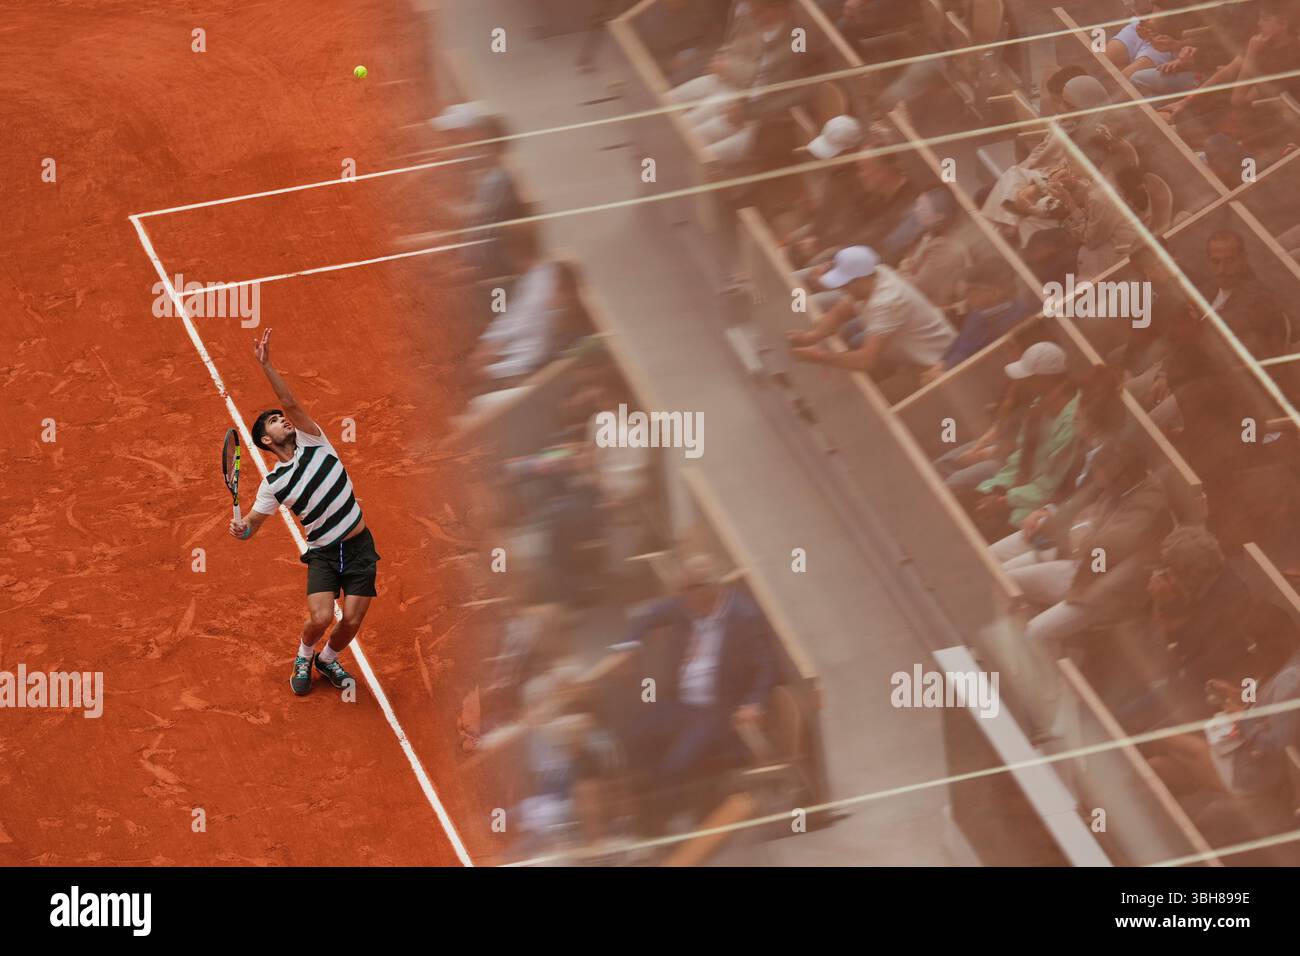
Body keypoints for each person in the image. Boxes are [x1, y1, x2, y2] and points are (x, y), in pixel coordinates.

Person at [229, 329, 380, 696]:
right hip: (324, 555)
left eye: (282, 418)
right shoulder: (273, 483)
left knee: (352, 620)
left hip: (359, 546)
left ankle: (327, 659)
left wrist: (266, 365)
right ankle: (304, 654)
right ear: (267, 440)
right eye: (274, 421)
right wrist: (240, 529)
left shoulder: (314, 441)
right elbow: (251, 527)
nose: (283, 419)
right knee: (322, 616)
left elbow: (290, 401)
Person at [618, 553, 776, 809]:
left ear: (708, 589)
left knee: (676, 765)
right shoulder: (687, 606)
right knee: (633, 734)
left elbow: (766, 665)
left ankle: (676, 810)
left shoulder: (742, 616)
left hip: (717, 711)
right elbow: (648, 614)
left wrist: (754, 702)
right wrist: (627, 646)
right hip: (682, 704)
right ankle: (657, 802)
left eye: (685, 589)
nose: (679, 596)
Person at [785, 245, 956, 395]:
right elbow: (841, 311)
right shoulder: (876, 273)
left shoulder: (888, 301)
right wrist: (810, 337)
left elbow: (865, 361)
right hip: (903, 354)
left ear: (861, 279)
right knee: (847, 369)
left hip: (938, 367)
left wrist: (820, 357)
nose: (842, 288)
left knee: (876, 398)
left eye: (846, 284)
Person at [664, 0, 808, 164]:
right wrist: (722, 61)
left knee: (690, 136)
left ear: (781, 11)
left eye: (760, 11)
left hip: (756, 116)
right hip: (730, 86)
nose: (754, 15)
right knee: (667, 102)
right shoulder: (748, 11)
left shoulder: (798, 39)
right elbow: (733, 48)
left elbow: (765, 81)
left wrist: (729, 68)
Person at [966, 341, 1081, 537]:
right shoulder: (1040, 403)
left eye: (1027, 378)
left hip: (1035, 510)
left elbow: (1049, 487)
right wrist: (997, 489)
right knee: (963, 501)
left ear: (1044, 379)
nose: (1021, 382)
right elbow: (1019, 458)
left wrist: (1005, 500)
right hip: (1014, 492)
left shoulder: (1072, 421)